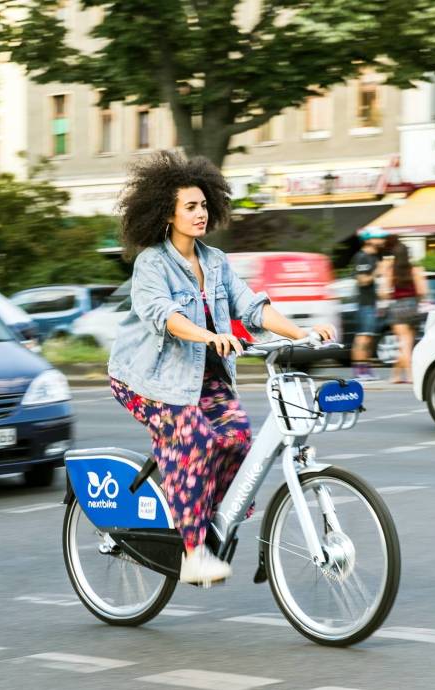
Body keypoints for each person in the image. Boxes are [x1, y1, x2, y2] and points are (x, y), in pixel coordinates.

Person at [108, 152, 336, 586]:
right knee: (192, 437)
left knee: (235, 435)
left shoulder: (214, 261)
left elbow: (252, 308)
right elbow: (164, 315)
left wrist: (301, 333)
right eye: (189, 206)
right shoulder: (151, 264)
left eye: (203, 205)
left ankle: (198, 509)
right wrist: (208, 335)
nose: (200, 213)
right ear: (166, 213)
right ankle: (193, 553)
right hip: (148, 379)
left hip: (202, 378)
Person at [380, 237, 427, 384]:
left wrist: (390, 292)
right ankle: (395, 376)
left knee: (404, 344)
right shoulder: (415, 270)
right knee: (407, 344)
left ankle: (411, 376)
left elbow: (383, 293)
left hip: (397, 307)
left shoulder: (390, 270)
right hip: (413, 306)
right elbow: (422, 291)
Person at [350, 227, 386, 380]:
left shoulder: (374, 257)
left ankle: (366, 369)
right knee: (362, 337)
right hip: (365, 304)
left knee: (370, 338)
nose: (382, 240)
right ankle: (359, 371)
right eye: (379, 237)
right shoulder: (362, 257)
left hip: (373, 303)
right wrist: (377, 271)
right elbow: (362, 280)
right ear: (369, 240)